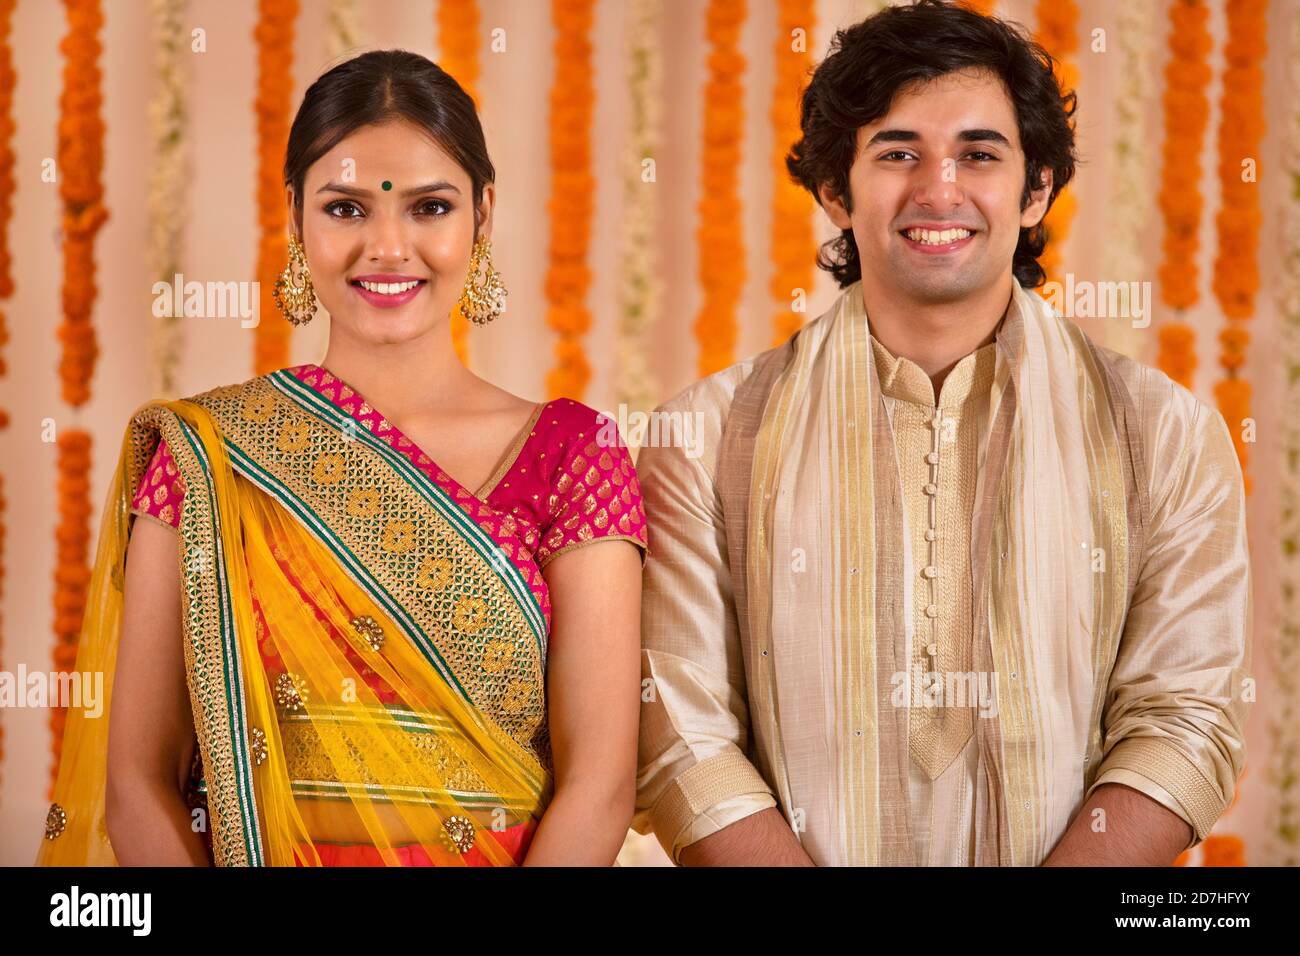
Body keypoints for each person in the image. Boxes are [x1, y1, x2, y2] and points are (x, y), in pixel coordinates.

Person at [633, 0, 1251, 866]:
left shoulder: (1167, 436)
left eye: (979, 153)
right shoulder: (701, 439)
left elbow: (1185, 722)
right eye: (897, 153)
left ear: (1036, 189)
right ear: (836, 191)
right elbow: (682, 737)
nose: (939, 190)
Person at [38, 50, 645, 867]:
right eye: (347, 209)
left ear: (483, 216)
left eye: (429, 207)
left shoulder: (575, 454)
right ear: (295, 218)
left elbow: (599, 783)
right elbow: (139, 784)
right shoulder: (210, 454)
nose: (388, 247)